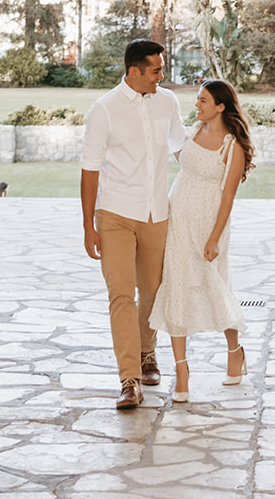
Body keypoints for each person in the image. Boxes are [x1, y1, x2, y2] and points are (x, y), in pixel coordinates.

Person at [80, 39, 187, 410]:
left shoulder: (168, 102)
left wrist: (222, 158)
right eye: (156, 70)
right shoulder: (104, 110)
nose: (162, 76)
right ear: (134, 72)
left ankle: (147, 352)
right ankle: (129, 379)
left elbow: (181, 147)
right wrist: (88, 226)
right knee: (121, 294)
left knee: (153, 290)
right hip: (115, 214)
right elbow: (90, 170)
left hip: (157, 212)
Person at [149, 77, 254, 403]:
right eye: (197, 99)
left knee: (214, 286)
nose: (197, 105)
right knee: (177, 287)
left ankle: (234, 352)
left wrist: (214, 238)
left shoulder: (232, 145)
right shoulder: (192, 132)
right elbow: (180, 157)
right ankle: (182, 370)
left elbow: (227, 197)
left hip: (209, 225)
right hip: (178, 221)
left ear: (221, 106)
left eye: (203, 100)